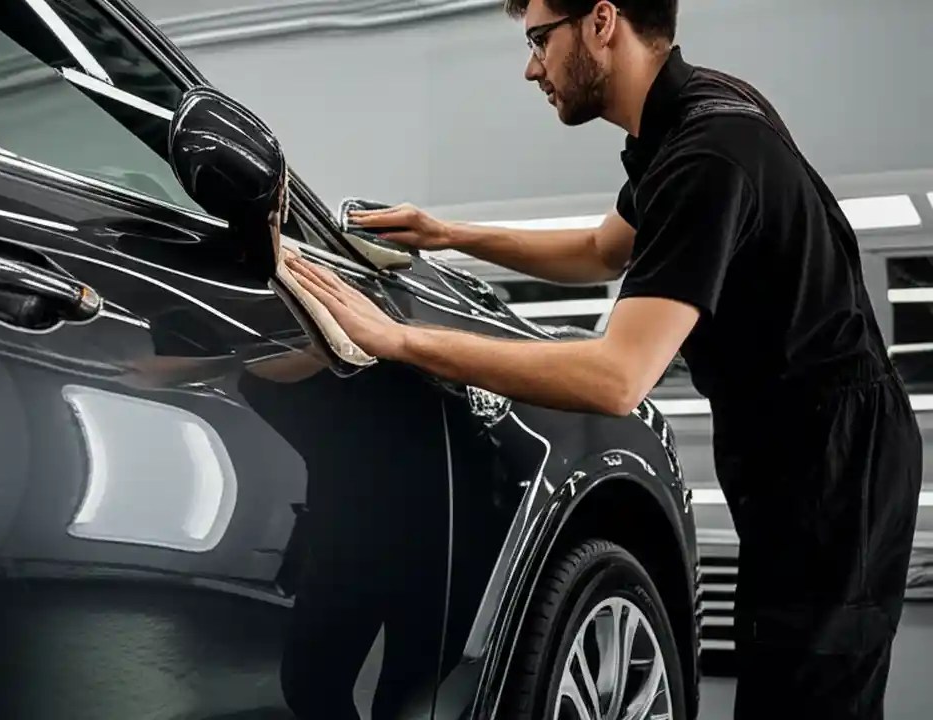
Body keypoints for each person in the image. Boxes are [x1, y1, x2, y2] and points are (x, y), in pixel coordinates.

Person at [283, 0, 923, 717]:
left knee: (806, 696)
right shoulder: (686, 119)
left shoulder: (707, 156)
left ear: (601, 22)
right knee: (783, 671)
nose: (532, 69)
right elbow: (599, 250)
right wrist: (448, 234)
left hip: (834, 454)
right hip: (800, 441)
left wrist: (401, 340)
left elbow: (617, 378)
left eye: (539, 41)